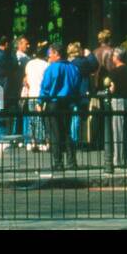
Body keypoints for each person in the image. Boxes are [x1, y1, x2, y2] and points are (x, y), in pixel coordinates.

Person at [38, 42, 82, 170]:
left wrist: (40, 102)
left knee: (54, 133)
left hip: (54, 103)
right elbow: (77, 86)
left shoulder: (52, 68)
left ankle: (58, 162)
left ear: (57, 54)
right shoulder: (74, 68)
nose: (48, 57)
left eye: (49, 54)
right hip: (68, 103)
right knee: (67, 132)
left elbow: (45, 87)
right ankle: (72, 161)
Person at [101, 46, 127, 167]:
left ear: (117, 57)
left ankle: (118, 160)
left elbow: (111, 89)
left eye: (113, 56)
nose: (111, 58)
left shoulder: (113, 73)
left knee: (118, 132)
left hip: (117, 101)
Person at [23, 41, 49, 148]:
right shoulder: (46, 65)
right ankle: (41, 141)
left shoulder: (29, 64)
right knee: (41, 119)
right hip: (41, 95)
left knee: (32, 119)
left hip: (31, 94)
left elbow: (26, 79)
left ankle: (32, 141)